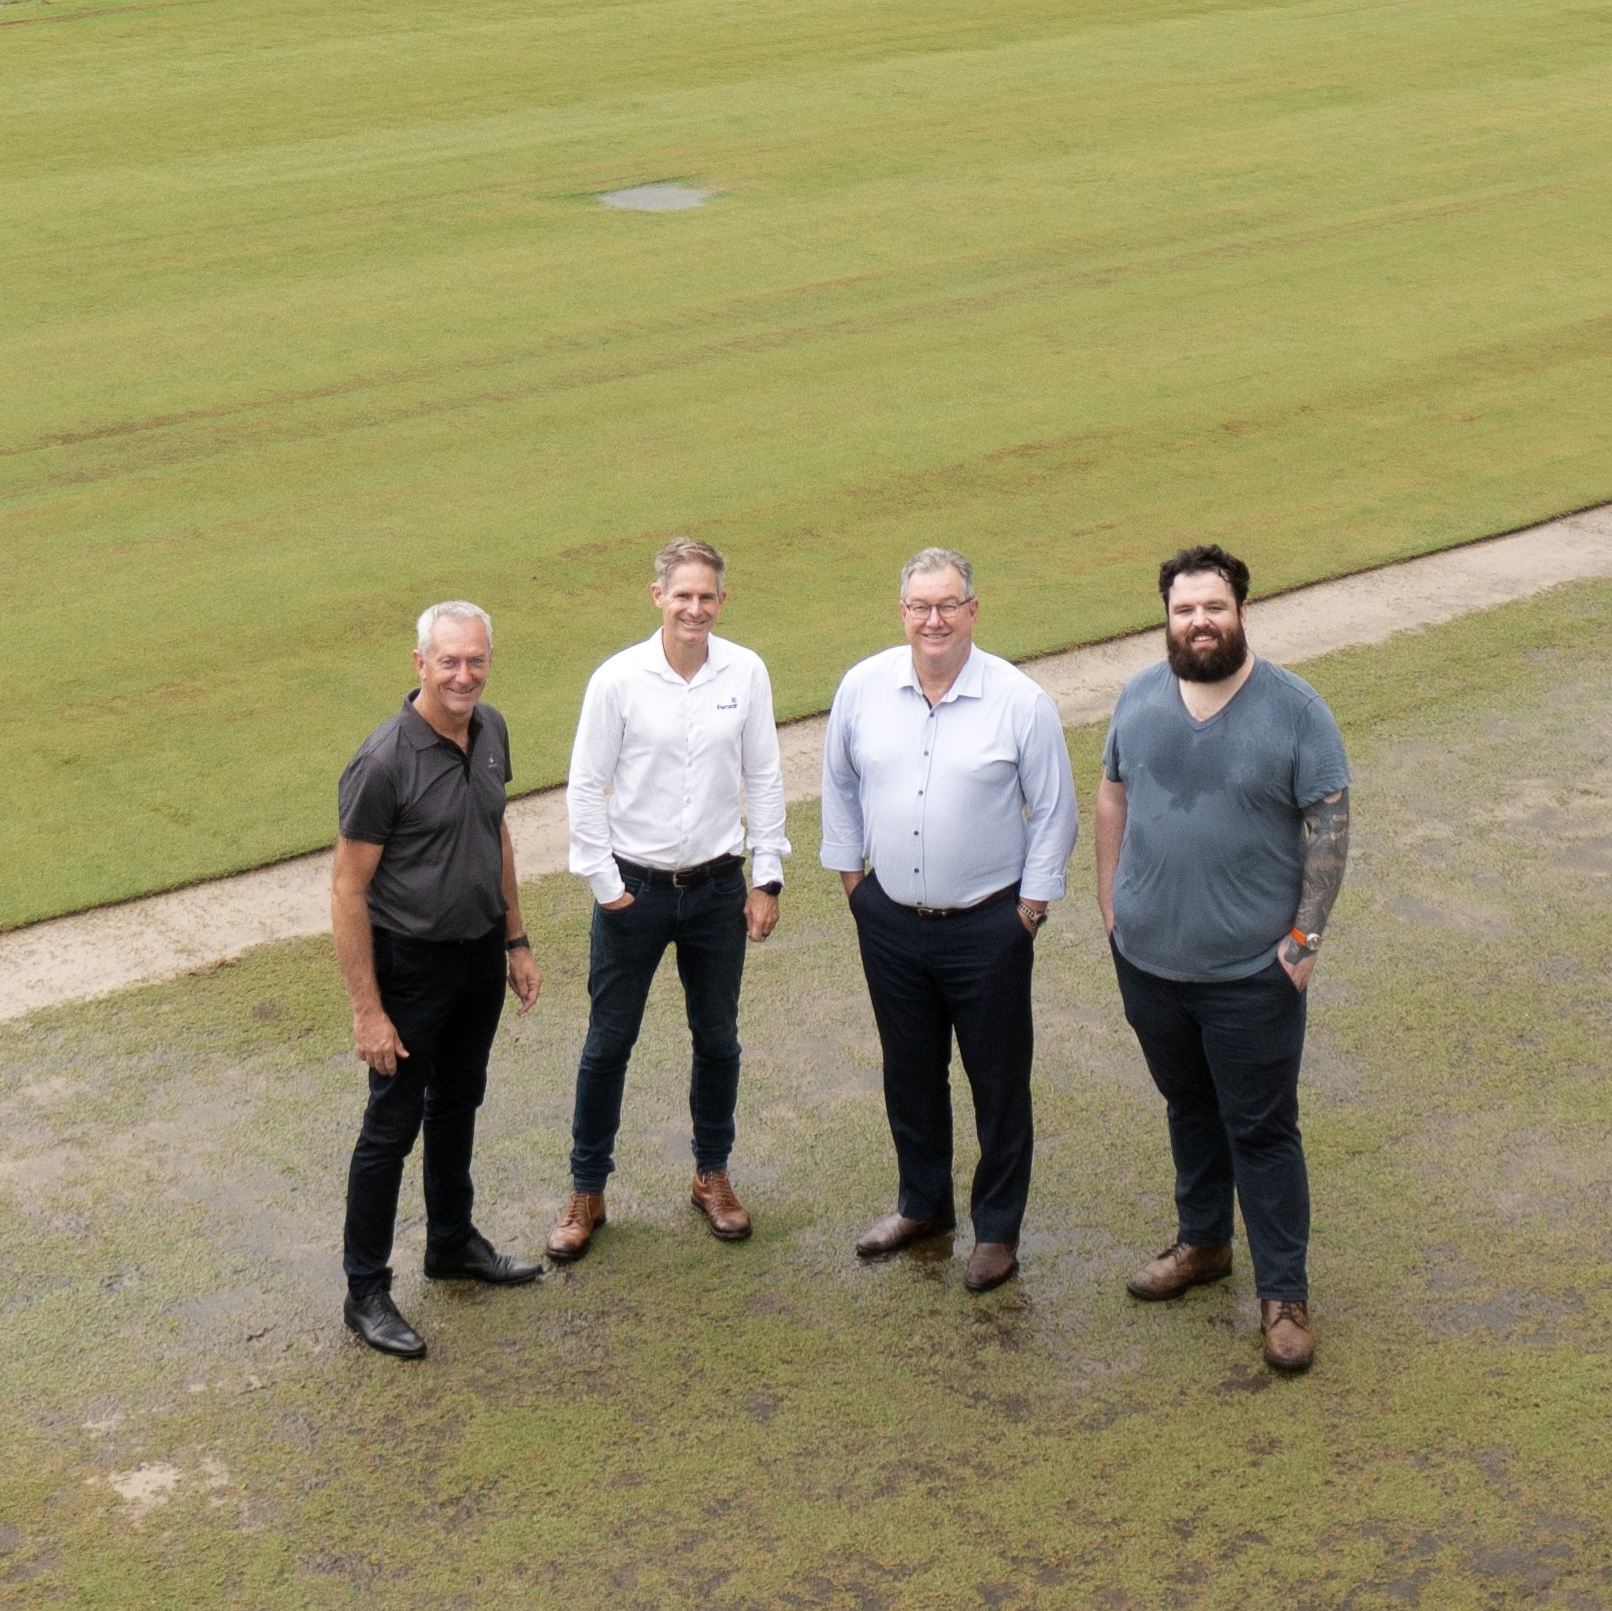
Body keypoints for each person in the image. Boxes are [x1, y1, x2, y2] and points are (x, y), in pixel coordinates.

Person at [1093, 542, 1351, 1374]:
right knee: (1188, 1106)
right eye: (1183, 609)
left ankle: (1284, 1295)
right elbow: (1112, 793)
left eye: (1213, 607)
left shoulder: (1294, 708)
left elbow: (1331, 821)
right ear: (1165, 617)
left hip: (1251, 975)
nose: (1198, 622)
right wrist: (1110, 905)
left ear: (1241, 612)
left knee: (1263, 1129)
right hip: (1151, 964)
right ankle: (1203, 1244)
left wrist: (1304, 939)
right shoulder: (1137, 697)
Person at [816, 546, 1076, 1294]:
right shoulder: (863, 688)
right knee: (911, 1072)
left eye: (948, 605)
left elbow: (1055, 812)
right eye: (920, 606)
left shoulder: (1019, 700)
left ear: (972, 610)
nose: (934, 619)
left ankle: (996, 1230)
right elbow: (839, 784)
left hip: (989, 926)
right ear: (902, 613)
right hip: (890, 922)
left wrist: (1028, 912)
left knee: (997, 1081)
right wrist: (853, 887)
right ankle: (922, 1205)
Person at [554, 537, 786, 1261]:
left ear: (721, 600)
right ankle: (586, 1189)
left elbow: (766, 775)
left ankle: (711, 1174)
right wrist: (604, 883)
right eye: (682, 595)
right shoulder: (618, 679)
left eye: (706, 596)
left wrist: (766, 876)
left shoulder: (744, 672)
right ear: (658, 596)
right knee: (608, 1044)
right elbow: (585, 785)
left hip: (717, 889)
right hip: (635, 892)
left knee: (718, 1040)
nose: (694, 608)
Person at [332, 598, 550, 1358]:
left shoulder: (491, 730)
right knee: (392, 1126)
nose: (465, 675)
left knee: (460, 1102)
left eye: (477, 659)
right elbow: (347, 890)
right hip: (411, 965)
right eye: (450, 661)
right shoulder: (384, 761)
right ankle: (366, 1290)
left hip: (477, 952)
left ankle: (451, 1242)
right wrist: (367, 1011)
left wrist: (516, 939)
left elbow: (496, 831)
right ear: (419, 664)